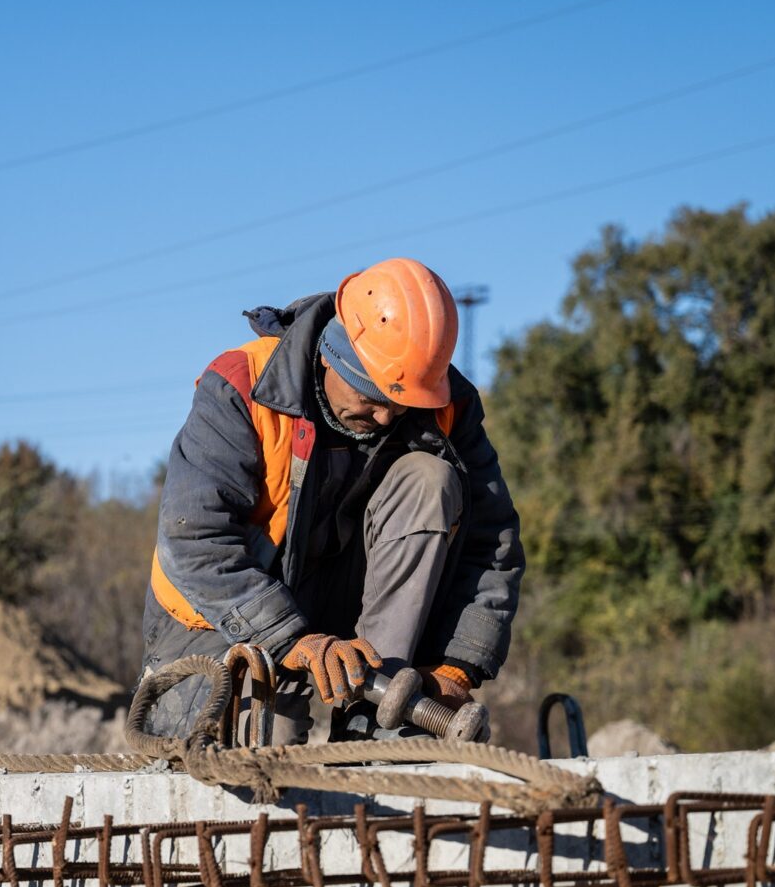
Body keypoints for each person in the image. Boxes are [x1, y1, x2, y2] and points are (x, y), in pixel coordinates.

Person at [138, 258, 522, 743]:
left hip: (352, 616)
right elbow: (194, 540)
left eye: (401, 402)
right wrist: (293, 641)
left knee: (431, 478)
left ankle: (374, 722)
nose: (386, 417)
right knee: (253, 772)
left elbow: (493, 542)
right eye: (372, 396)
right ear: (333, 356)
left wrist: (456, 667)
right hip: (227, 616)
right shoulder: (241, 384)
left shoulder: (444, 406)